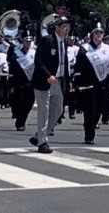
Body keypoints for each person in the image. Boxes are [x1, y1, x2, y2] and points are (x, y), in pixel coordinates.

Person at [30, 16, 72, 154]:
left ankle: (39, 135)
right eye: (63, 26)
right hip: (44, 81)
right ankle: (43, 142)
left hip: (59, 81)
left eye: (67, 26)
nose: (66, 29)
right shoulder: (47, 40)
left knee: (58, 110)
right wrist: (48, 75)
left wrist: (67, 79)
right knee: (44, 111)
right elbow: (38, 60)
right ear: (57, 28)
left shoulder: (64, 42)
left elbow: (64, 62)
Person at [73, 20, 109, 145]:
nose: (99, 35)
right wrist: (77, 82)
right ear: (92, 34)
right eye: (96, 33)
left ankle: (91, 124)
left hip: (103, 83)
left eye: (101, 33)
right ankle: (89, 134)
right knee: (90, 109)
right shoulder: (84, 49)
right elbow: (79, 67)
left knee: (100, 108)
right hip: (89, 82)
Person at [7, 35, 36, 131]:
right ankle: (19, 120)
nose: (28, 43)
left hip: (30, 81)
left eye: (29, 41)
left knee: (29, 103)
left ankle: (22, 121)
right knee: (17, 102)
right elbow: (12, 68)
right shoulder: (16, 53)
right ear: (22, 42)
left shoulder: (34, 53)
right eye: (26, 41)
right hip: (19, 81)